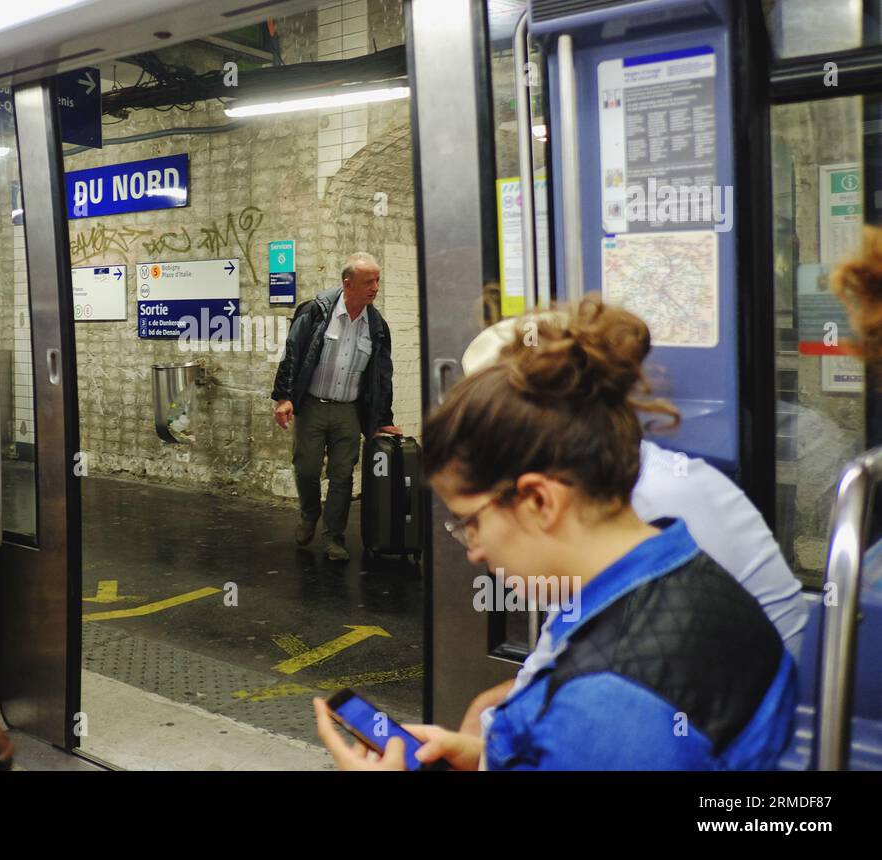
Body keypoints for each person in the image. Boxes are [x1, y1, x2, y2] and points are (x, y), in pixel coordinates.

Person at [315, 297, 796, 769]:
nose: (473, 551)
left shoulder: (609, 701)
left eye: (471, 521)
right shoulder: (680, 569)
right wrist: (488, 754)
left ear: (541, 500)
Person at [454, 311, 809, 739]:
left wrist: (490, 742)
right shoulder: (618, 477)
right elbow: (564, 647)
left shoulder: (640, 501)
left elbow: (606, 688)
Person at [271, 252, 402, 561]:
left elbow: (382, 375)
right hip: (313, 405)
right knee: (306, 469)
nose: (375, 287)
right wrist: (284, 397)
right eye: (368, 281)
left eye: (377, 280)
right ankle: (309, 513)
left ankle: (334, 538)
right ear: (348, 283)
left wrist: (382, 418)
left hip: (348, 411)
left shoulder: (377, 325)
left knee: (343, 475)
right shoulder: (317, 312)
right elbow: (292, 353)